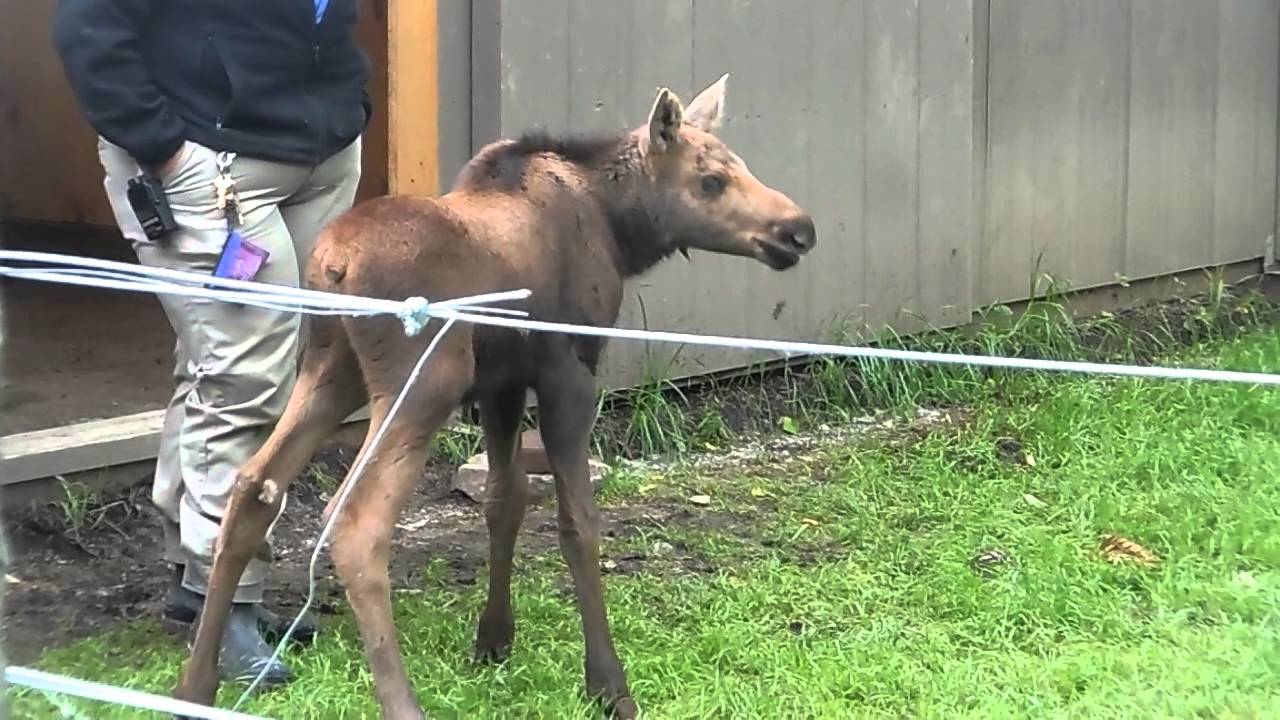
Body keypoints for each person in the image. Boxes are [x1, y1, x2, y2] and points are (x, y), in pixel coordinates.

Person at [52, 0, 372, 687]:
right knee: (244, 375)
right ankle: (221, 600)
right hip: (207, 164)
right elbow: (88, 23)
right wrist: (161, 145)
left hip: (321, 148)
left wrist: (350, 97)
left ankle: (195, 569)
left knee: (260, 363)